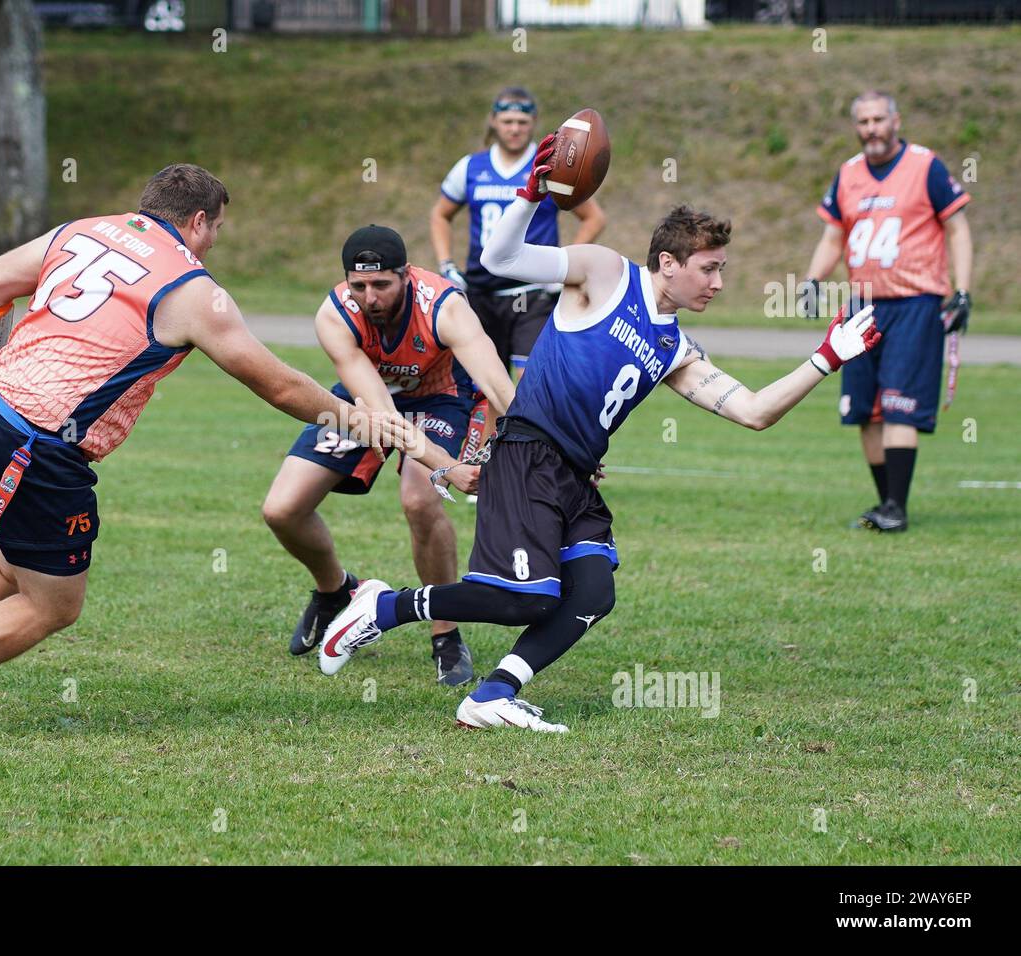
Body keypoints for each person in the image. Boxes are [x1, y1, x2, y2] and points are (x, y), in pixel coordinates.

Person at [0, 164, 442, 740]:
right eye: (217, 228)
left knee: (12, 567)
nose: (214, 242)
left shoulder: (86, 228)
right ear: (199, 220)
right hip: (40, 448)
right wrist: (357, 419)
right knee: (54, 604)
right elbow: (277, 384)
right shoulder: (192, 287)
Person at [316, 138, 882, 733]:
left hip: (576, 477)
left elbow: (755, 411)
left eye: (721, 269)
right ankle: (384, 607)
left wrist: (826, 357)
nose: (718, 282)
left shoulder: (677, 349)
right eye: (709, 268)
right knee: (527, 599)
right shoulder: (604, 271)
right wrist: (531, 193)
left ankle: (493, 694)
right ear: (669, 262)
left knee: (591, 592)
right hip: (528, 453)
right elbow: (504, 258)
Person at [262, 226, 514, 685]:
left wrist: (534, 439)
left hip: (444, 398)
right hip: (371, 400)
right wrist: (448, 468)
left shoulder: (445, 305)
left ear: (406, 275)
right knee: (282, 509)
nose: (369, 297)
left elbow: (498, 385)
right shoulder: (335, 314)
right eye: (358, 286)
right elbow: (380, 413)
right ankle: (335, 590)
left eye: (382, 284)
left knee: (419, 500)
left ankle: (445, 631)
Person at [798, 90, 972, 533]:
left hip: (914, 302)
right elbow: (833, 236)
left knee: (899, 404)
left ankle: (896, 506)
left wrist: (963, 290)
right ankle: (887, 502)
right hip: (862, 305)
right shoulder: (849, 173)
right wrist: (813, 279)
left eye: (878, 119)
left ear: (896, 120)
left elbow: (957, 227)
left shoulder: (924, 165)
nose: (871, 128)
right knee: (864, 410)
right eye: (863, 121)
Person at [430, 85, 605, 379]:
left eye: (522, 123)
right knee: (485, 388)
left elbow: (594, 218)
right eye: (508, 121)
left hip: (532, 293)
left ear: (534, 122)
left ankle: (526, 427)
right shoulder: (472, 166)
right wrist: (446, 264)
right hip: (482, 292)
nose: (514, 129)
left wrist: (563, 266)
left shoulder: (552, 166)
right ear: (494, 122)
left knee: (529, 382)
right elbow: (440, 214)